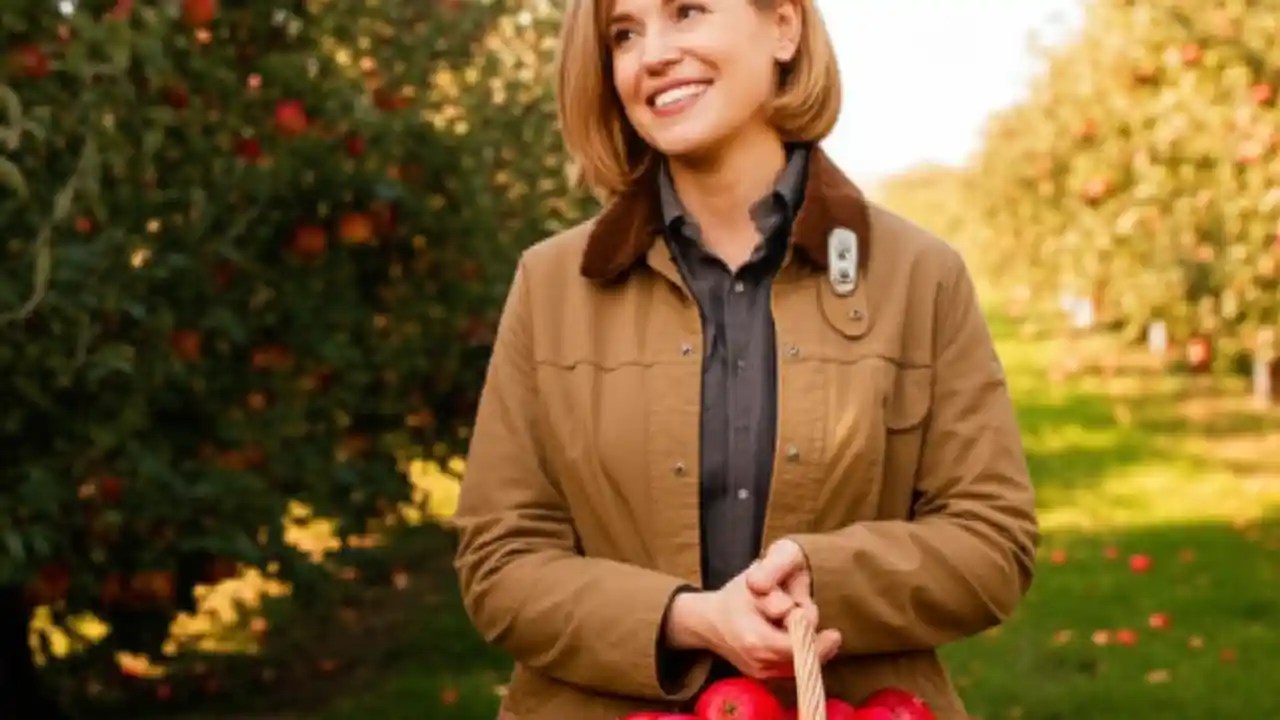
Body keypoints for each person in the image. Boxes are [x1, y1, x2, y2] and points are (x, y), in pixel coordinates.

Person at [451, 1, 1040, 718]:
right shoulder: (552, 286)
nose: (654, 54)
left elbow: (992, 544)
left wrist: (822, 579)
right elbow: (499, 560)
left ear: (785, 28)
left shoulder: (919, 275)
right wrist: (685, 619)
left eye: (687, 11)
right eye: (625, 34)